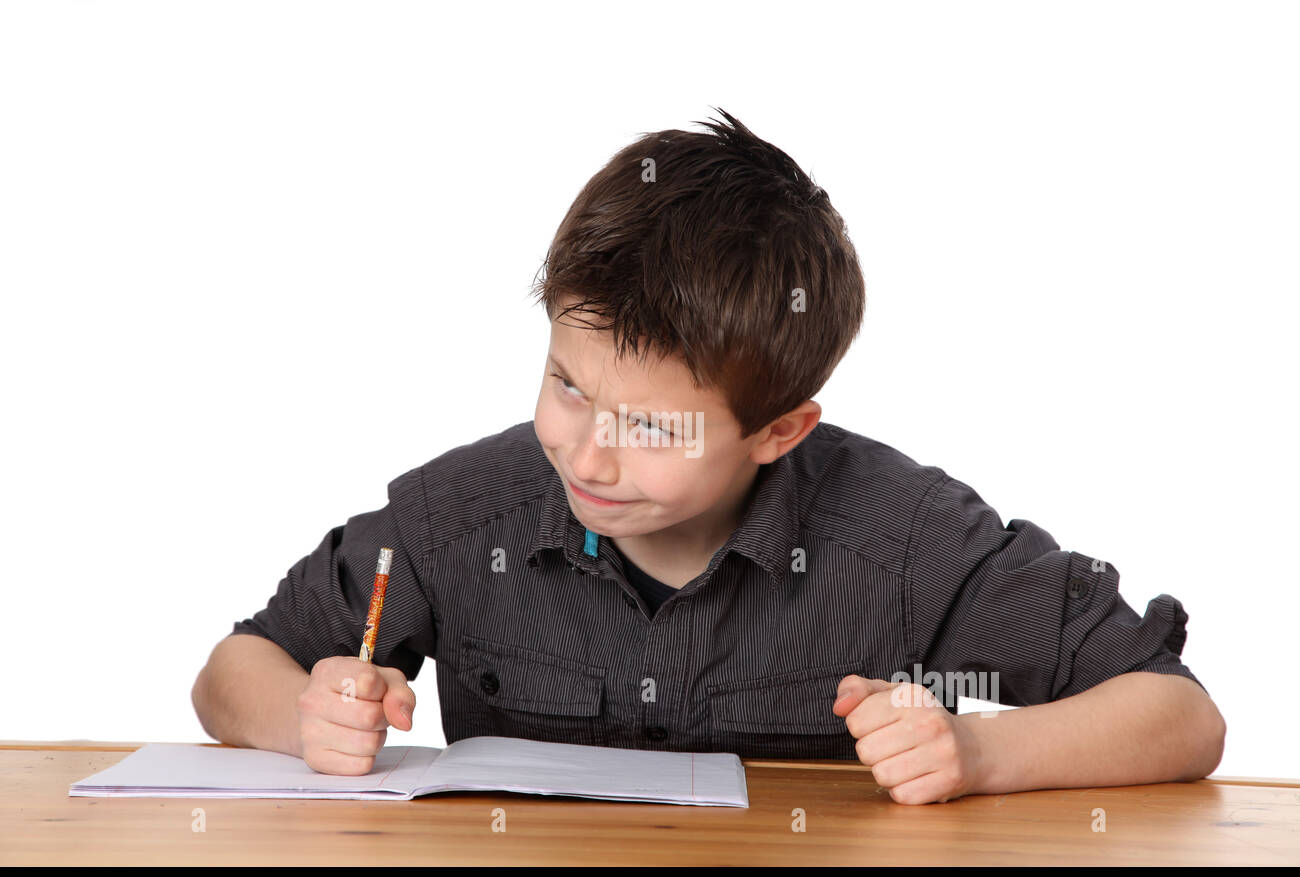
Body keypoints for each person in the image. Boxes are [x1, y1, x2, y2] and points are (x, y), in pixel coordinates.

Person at [192, 109, 1224, 805]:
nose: (585, 452)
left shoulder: (902, 543)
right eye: (567, 385)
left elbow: (1179, 713)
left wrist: (982, 750)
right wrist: (304, 715)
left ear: (778, 431)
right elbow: (232, 668)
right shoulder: (463, 517)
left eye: (651, 428)